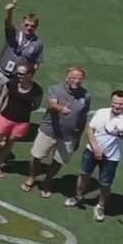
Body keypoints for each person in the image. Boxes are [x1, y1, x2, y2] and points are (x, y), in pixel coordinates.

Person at [22, 66, 90, 196]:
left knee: (59, 161)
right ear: (67, 78)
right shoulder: (56, 89)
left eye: (79, 79)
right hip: (48, 130)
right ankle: (31, 177)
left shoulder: (86, 95)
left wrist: (78, 137)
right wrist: (61, 109)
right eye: (73, 78)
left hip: (69, 136)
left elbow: (83, 117)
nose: (76, 81)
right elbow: (52, 103)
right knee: (37, 156)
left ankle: (47, 181)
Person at [72, 90, 123, 222]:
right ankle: (78, 196)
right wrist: (95, 148)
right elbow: (90, 130)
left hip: (111, 158)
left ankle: (100, 206)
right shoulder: (101, 112)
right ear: (111, 101)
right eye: (115, 103)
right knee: (84, 174)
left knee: (105, 184)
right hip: (91, 151)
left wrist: (120, 133)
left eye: (120, 104)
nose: (117, 106)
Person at [0, 63, 42, 177]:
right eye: (18, 73)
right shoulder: (11, 83)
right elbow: (2, 97)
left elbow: (37, 105)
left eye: (22, 74)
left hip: (21, 122)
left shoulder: (36, 90)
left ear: (30, 75)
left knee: (9, 144)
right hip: (5, 117)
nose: (19, 76)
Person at [0, 0, 44, 78]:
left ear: (36, 27)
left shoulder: (38, 43)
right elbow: (8, 23)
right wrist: (9, 11)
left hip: (16, 77)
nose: (29, 28)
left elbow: (36, 63)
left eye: (32, 26)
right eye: (26, 25)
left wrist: (28, 77)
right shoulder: (14, 33)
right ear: (22, 24)